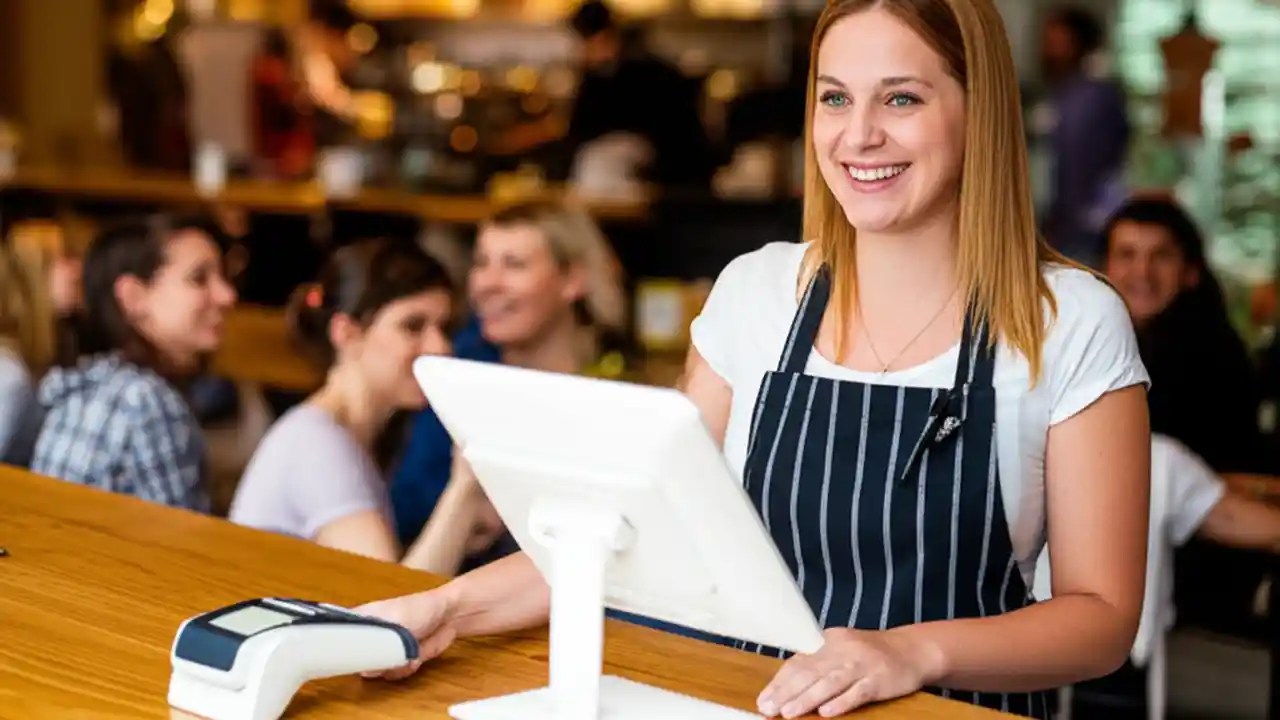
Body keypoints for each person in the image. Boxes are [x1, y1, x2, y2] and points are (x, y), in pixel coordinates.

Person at [359, 2, 1151, 718]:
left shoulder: (1070, 322)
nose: (859, 133)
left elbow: (1102, 617)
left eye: (901, 98)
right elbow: (625, 530)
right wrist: (447, 610)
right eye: (835, 97)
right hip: (752, 706)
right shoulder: (757, 294)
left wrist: (911, 652)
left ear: (979, 113)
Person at [390, 199, 628, 573]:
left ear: (573, 280)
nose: (486, 283)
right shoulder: (456, 374)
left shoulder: (616, 389)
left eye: (514, 265)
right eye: (481, 263)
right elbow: (406, 510)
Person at [228, 239, 455, 562]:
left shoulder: (350, 434)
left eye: (444, 328)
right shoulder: (316, 443)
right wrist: (465, 494)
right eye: (413, 326)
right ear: (347, 334)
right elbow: (391, 599)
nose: (440, 347)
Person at [1034, 434, 1280, 717]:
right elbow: (1228, 517)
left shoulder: (1017, 441)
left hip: (1022, 646)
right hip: (1108, 663)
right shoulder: (1158, 457)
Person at [31, 216, 236, 511]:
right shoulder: (147, 405)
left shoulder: (92, 384)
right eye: (199, 278)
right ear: (134, 297)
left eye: (225, 276)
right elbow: (181, 551)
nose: (227, 296)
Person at [1104, 196, 1265, 473]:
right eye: (1127, 255)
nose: (1143, 272)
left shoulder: (1212, 358)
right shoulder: (1101, 343)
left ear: (1191, 272)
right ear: (1103, 268)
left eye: (1161, 256)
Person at [501, 0, 721, 189]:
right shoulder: (616, 70)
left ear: (602, 37)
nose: (581, 51)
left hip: (668, 182)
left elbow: (581, 127)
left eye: (583, 43)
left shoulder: (633, 74)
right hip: (674, 181)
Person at [1037, 6, 1131, 268]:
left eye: (1059, 43)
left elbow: (1078, 166)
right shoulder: (1061, 95)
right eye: (1048, 42)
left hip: (1082, 225)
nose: (1049, 51)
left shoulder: (1090, 98)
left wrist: (1060, 220)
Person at [0, 221, 83, 466]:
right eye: (66, 258)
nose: (79, 269)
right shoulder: (10, 377)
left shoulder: (56, 349)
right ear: (36, 274)